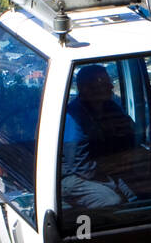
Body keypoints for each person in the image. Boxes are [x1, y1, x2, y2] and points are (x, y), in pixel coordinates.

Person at [61, 64, 145, 210]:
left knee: (136, 198)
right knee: (112, 200)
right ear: (85, 89)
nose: (111, 87)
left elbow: (131, 132)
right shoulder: (74, 117)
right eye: (104, 83)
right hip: (72, 176)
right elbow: (80, 166)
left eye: (109, 82)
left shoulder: (109, 106)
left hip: (101, 169)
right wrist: (113, 173)